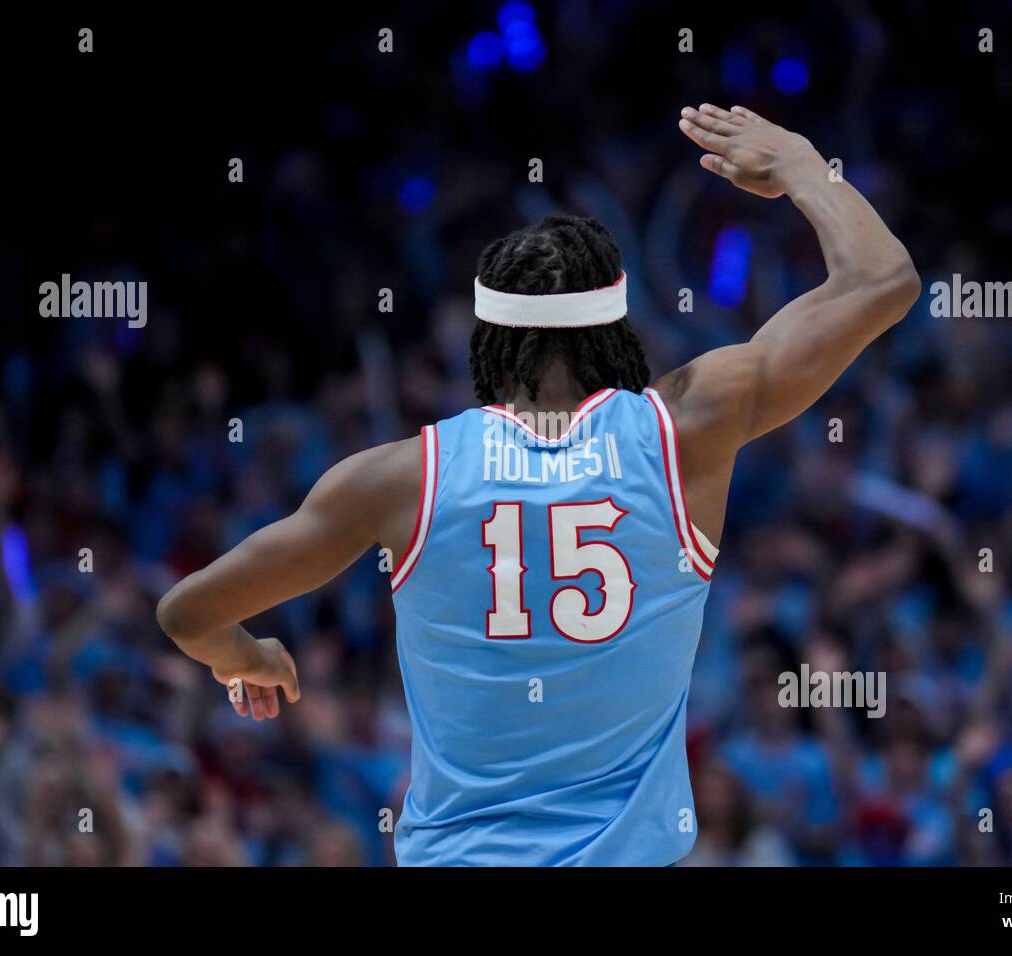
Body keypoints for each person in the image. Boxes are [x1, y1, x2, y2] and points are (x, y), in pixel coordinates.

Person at [155, 103, 921, 865]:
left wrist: (246, 660)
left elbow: (187, 612)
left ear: (487, 339)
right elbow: (882, 279)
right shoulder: (689, 424)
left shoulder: (399, 478)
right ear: (616, 328)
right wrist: (797, 164)